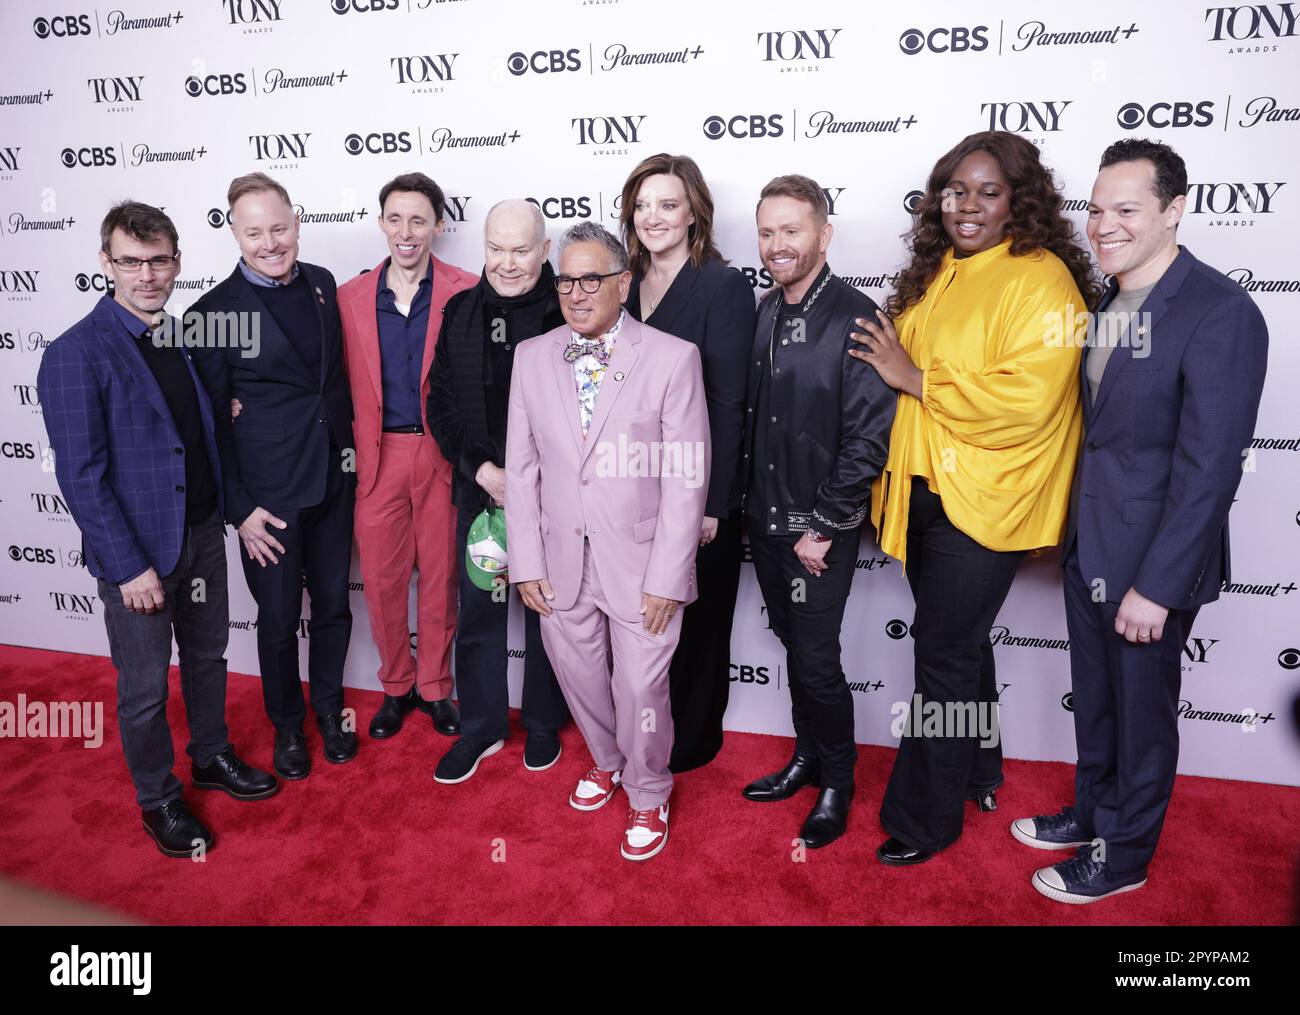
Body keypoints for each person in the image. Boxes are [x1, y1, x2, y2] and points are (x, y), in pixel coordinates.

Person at [1013, 139, 1268, 903]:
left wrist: (1157, 587)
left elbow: (1209, 469)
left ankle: (1122, 856)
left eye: (1126, 209)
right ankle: (1094, 812)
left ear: (1174, 210)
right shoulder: (1107, 301)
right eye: (1096, 209)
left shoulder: (1220, 312)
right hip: (1091, 544)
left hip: (1152, 564)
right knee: (1096, 701)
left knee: (1142, 716)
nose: (1104, 225)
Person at [850, 131, 1098, 865]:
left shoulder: (1042, 277)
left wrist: (915, 377)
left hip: (989, 498)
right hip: (926, 490)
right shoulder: (940, 271)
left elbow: (1029, 397)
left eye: (989, 191)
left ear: (1018, 200)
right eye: (957, 189)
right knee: (957, 646)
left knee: (943, 655)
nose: (969, 204)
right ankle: (980, 769)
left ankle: (927, 820)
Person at [38, 201, 276, 858]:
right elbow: (82, 476)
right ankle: (158, 798)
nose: (148, 275)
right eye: (132, 262)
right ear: (106, 263)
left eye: (159, 260)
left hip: (200, 534)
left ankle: (210, 756)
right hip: (139, 555)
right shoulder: (75, 353)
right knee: (144, 686)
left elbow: (188, 436)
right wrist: (126, 566)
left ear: (176, 261)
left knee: (208, 659)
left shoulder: (180, 336)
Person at [505, 221, 709, 861]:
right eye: (566, 280)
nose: (576, 292)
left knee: (642, 689)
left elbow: (687, 475)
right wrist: (527, 562)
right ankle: (607, 760)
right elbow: (523, 467)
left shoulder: (673, 357)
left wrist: (669, 575)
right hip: (560, 560)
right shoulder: (532, 357)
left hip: (643, 563)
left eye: (592, 279)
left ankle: (649, 793)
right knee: (582, 676)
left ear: (624, 283)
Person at [739, 175, 895, 849]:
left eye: (792, 230)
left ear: (824, 235)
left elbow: (867, 439)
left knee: (818, 659)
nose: (778, 245)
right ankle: (806, 757)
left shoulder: (857, 319)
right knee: (796, 651)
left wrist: (825, 526)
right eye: (768, 232)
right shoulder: (767, 309)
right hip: (766, 523)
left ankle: (839, 780)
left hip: (814, 534)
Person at [190, 173, 358, 781]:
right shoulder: (210, 313)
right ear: (234, 233)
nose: (270, 242)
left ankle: (332, 709)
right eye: (255, 232)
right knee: (280, 619)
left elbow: (329, 383)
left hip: (334, 479)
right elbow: (212, 426)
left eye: (279, 228)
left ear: (296, 221)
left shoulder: (321, 284)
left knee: (336, 607)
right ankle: (288, 729)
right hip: (269, 502)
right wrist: (240, 510)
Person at [425, 199, 571, 782]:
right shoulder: (460, 311)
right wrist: (483, 470)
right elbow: (440, 402)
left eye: (520, 250)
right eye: (495, 249)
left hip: (555, 503)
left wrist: (534, 481)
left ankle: (542, 723)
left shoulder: (571, 311)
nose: (507, 263)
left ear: (543, 251)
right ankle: (481, 728)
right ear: (482, 247)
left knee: (549, 616)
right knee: (481, 616)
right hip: (481, 496)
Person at [620, 154, 755, 773]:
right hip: (628, 489)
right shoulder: (620, 282)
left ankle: (690, 744)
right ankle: (639, 736)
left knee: (696, 623)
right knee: (640, 621)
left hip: (694, 490)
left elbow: (729, 403)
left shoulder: (721, 285)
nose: (654, 217)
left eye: (668, 204)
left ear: (694, 211)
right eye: (643, 205)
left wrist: (711, 504)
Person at [336, 173, 473, 744]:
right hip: (378, 454)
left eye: (419, 219)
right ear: (381, 223)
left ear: (439, 225)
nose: (406, 231)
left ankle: (437, 688)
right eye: (395, 219)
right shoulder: (349, 296)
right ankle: (396, 687)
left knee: (442, 577)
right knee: (385, 581)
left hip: (441, 451)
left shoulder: (467, 290)